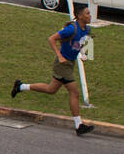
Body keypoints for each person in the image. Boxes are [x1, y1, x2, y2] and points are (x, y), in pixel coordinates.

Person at [11, 7, 96, 136]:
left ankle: (20, 86)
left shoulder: (87, 30)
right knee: (74, 93)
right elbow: (51, 38)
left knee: (51, 89)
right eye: (87, 13)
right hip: (62, 65)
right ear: (79, 16)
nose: (90, 15)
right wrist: (60, 56)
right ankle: (79, 125)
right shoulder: (71, 29)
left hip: (70, 63)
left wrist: (83, 54)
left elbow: (79, 43)